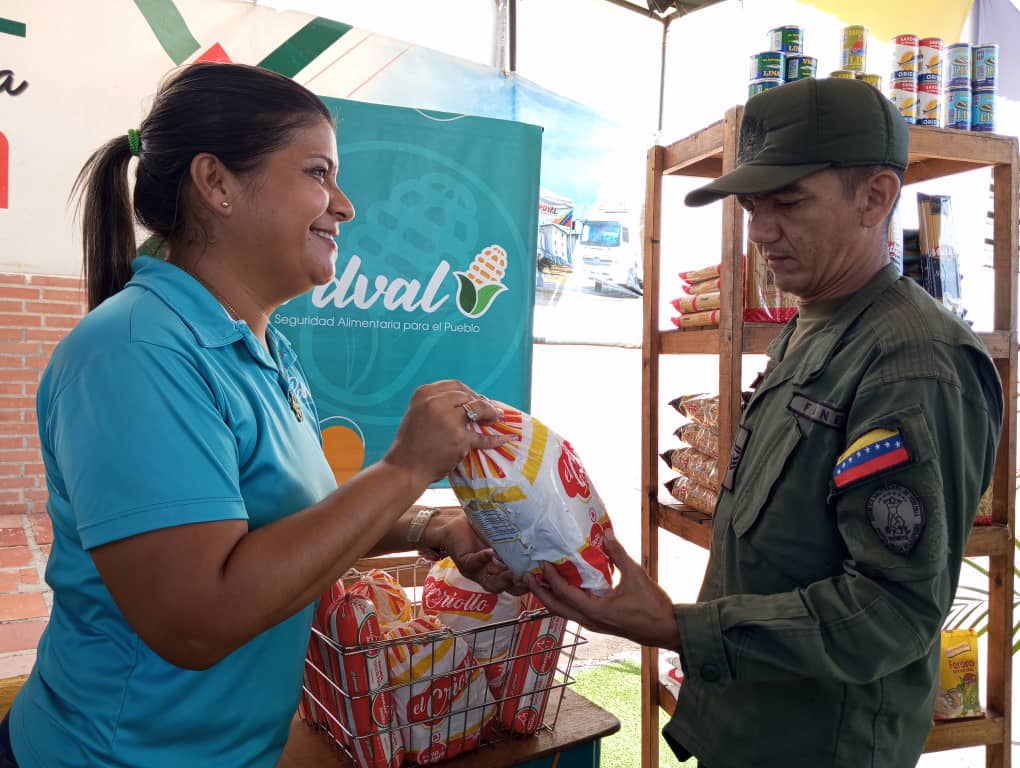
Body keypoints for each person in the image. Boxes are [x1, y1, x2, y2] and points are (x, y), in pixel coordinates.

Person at [4, 62, 519, 768]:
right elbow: (197, 620)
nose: (345, 206)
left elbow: (284, 524)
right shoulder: (132, 352)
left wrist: (430, 525)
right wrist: (405, 468)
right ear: (216, 183)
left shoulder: (258, 345)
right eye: (318, 172)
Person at [529, 77, 1004, 767]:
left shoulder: (913, 361)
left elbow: (890, 611)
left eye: (788, 203)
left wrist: (679, 627)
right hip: (754, 728)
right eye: (753, 207)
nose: (759, 233)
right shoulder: (815, 323)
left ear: (875, 198)